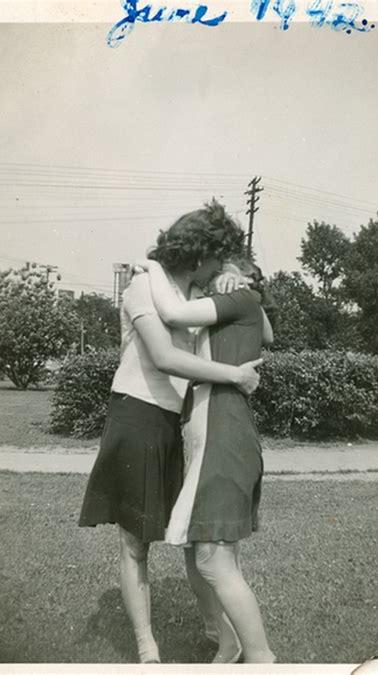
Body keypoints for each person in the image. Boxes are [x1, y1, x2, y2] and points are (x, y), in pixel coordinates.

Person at [78, 200, 261, 664]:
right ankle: (147, 648)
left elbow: (259, 322)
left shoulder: (189, 298)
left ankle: (216, 633)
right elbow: (163, 357)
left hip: (175, 422)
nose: (222, 263)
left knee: (193, 535)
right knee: (135, 542)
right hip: (137, 416)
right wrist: (234, 375)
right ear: (200, 254)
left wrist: (235, 275)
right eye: (220, 256)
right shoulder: (144, 286)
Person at [140, 254, 275, 664]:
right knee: (195, 548)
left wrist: (152, 267)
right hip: (207, 428)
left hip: (223, 431)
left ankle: (262, 659)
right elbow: (266, 334)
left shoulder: (242, 298)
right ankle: (228, 640)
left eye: (217, 271)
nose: (208, 278)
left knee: (213, 559)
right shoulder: (236, 304)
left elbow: (175, 311)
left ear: (243, 276)